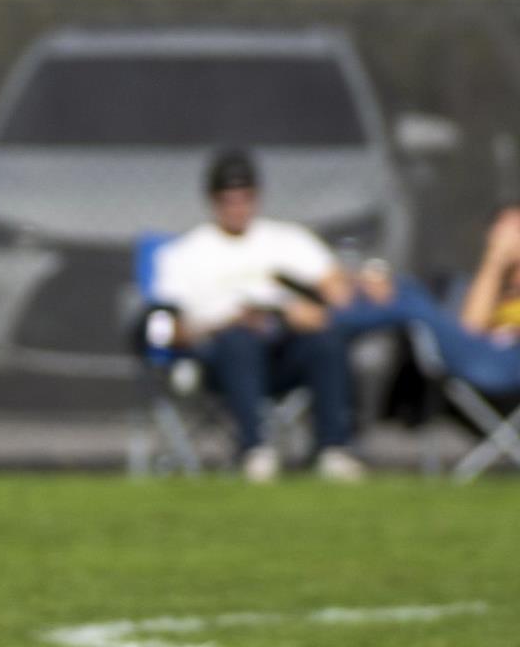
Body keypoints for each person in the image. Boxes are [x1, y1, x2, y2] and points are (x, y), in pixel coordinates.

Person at [150, 147, 365, 483]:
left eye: (245, 198)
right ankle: (254, 450)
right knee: (239, 341)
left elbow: (337, 290)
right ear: (213, 201)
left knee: (325, 341)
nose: (238, 208)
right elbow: (160, 329)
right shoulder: (183, 254)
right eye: (229, 200)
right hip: (220, 360)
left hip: (283, 354)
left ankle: (333, 449)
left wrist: (314, 306)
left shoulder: (286, 240)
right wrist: (225, 321)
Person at [332, 206, 520, 394]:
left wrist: (495, 259)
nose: (505, 239)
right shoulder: (479, 286)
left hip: (505, 365)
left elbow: (471, 328)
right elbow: (467, 326)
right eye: (501, 230)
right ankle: (339, 309)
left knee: (412, 298)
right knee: (408, 292)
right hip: (476, 353)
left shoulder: (494, 274)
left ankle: (332, 318)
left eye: (514, 230)